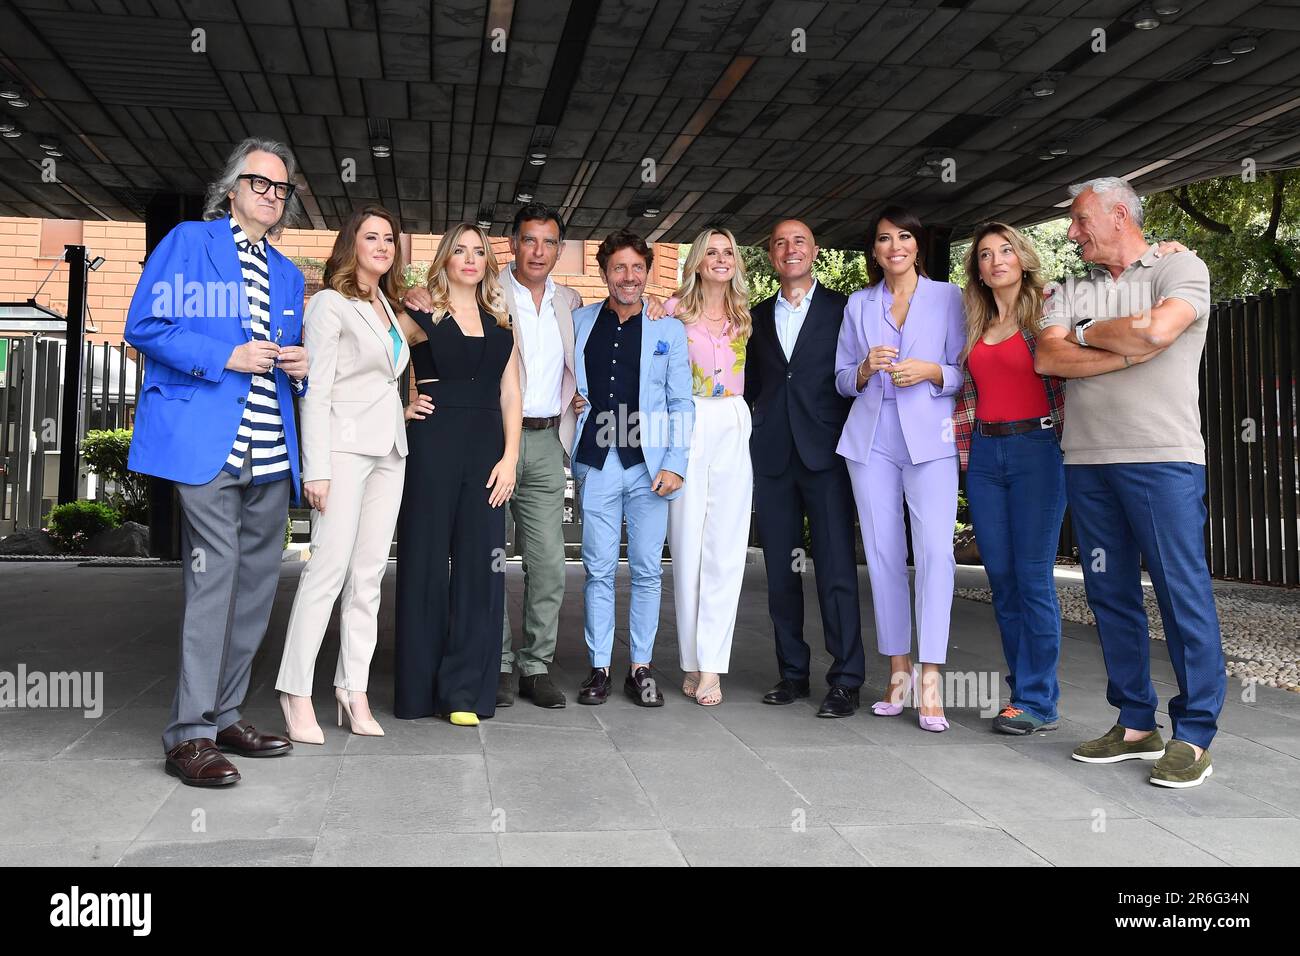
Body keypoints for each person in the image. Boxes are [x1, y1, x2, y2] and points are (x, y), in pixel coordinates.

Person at [125, 137, 307, 786]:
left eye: (282, 189)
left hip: (270, 449)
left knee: (258, 586)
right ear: (233, 189)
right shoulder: (188, 243)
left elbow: (290, 359)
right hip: (206, 445)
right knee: (215, 578)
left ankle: (225, 714)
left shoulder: (288, 275)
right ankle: (188, 736)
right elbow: (145, 326)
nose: (272, 196)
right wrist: (226, 356)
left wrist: (304, 367)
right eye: (261, 184)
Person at [1035, 176, 1225, 788]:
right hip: (1087, 460)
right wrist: (1120, 348)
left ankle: (1195, 734)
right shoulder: (1071, 288)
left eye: (1081, 220)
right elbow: (1047, 357)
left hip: (1162, 458)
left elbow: (1156, 331)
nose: (1072, 232)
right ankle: (1136, 723)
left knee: (1180, 589)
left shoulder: (1180, 267)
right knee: (1108, 592)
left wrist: (1087, 336)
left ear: (1119, 215)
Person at [276, 204, 418, 741]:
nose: (383, 245)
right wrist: (316, 469)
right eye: (372, 236)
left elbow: (382, 380)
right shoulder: (330, 305)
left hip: (389, 451)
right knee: (326, 572)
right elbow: (318, 389)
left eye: (389, 239)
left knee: (368, 578)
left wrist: (399, 412)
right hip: (341, 454)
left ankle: (351, 689)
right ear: (350, 244)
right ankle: (295, 692)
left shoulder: (386, 302)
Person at [835, 206, 965, 732]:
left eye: (904, 237)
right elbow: (842, 378)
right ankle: (898, 672)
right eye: (884, 239)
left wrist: (932, 370)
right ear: (874, 251)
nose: (895, 247)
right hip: (871, 441)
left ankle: (931, 679)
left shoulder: (950, 298)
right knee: (884, 555)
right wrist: (864, 369)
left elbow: (964, 371)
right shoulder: (858, 304)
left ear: (918, 246)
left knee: (936, 553)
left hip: (930, 439)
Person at [394, 224, 521, 727]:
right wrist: (399, 405)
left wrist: (510, 458)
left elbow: (510, 393)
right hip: (432, 446)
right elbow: (373, 361)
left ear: (489, 263)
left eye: (479, 252)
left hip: (488, 453)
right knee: (424, 564)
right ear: (445, 259)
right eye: (460, 251)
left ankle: (466, 690)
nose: (470, 259)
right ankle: (418, 692)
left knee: (481, 571)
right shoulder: (420, 312)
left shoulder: (502, 320)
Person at [746, 219, 865, 718]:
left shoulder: (845, 309)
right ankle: (792, 672)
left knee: (836, 568)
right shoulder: (751, 316)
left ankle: (846, 679)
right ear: (772, 255)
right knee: (780, 571)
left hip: (826, 453)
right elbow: (748, 382)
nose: (789, 250)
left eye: (799, 242)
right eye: (780, 243)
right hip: (773, 455)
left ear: (814, 251)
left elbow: (857, 376)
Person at [952, 222, 1068, 735]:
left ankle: (1037, 699)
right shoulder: (972, 321)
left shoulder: (1051, 307)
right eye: (984, 254)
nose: (995, 260)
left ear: (1022, 257)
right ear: (976, 269)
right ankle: (1022, 691)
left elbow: (1111, 305)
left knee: (1032, 576)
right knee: (1001, 578)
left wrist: (1159, 252)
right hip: (984, 453)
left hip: (1037, 450)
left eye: (1005, 250)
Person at [569, 231, 693, 706]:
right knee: (597, 570)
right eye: (619, 268)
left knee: (646, 570)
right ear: (604, 273)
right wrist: (571, 401)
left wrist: (677, 463)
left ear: (647, 272)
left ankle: (639, 667)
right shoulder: (578, 321)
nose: (629, 277)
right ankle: (599, 667)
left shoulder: (668, 328)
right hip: (597, 461)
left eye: (637, 268)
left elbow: (682, 402)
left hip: (651, 466)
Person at [664, 228, 753, 706]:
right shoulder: (672, 310)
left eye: (728, 253)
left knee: (726, 546)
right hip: (689, 418)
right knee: (687, 544)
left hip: (734, 419)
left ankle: (713, 666)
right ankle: (692, 660)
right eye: (712, 253)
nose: (721, 259)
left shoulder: (745, 315)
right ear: (697, 262)